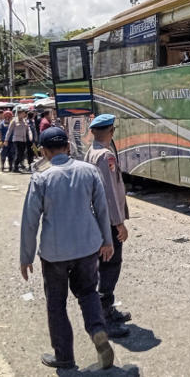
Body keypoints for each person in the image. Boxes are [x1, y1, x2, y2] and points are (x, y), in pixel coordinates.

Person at [19, 127, 115, 369]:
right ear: (68, 147)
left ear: (44, 151)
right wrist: (107, 241)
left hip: (55, 254)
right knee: (88, 293)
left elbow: (30, 222)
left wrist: (26, 256)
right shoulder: (89, 171)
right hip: (88, 247)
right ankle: (98, 331)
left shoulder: (41, 177)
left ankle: (64, 357)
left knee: (56, 303)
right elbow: (102, 209)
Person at [83, 114, 131, 338]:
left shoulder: (91, 152)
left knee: (105, 265)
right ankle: (104, 317)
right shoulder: (105, 155)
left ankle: (107, 309)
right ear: (111, 132)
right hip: (107, 222)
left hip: (97, 219)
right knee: (110, 265)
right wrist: (118, 223)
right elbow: (109, 193)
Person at [7, 108, 32, 173]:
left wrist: (30, 136)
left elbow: (28, 129)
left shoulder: (24, 121)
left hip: (23, 140)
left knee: (22, 154)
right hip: (16, 140)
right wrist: (6, 140)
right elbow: (9, 131)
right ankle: (15, 167)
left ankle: (18, 166)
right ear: (19, 114)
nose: (24, 114)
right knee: (18, 153)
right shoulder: (14, 121)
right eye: (23, 113)